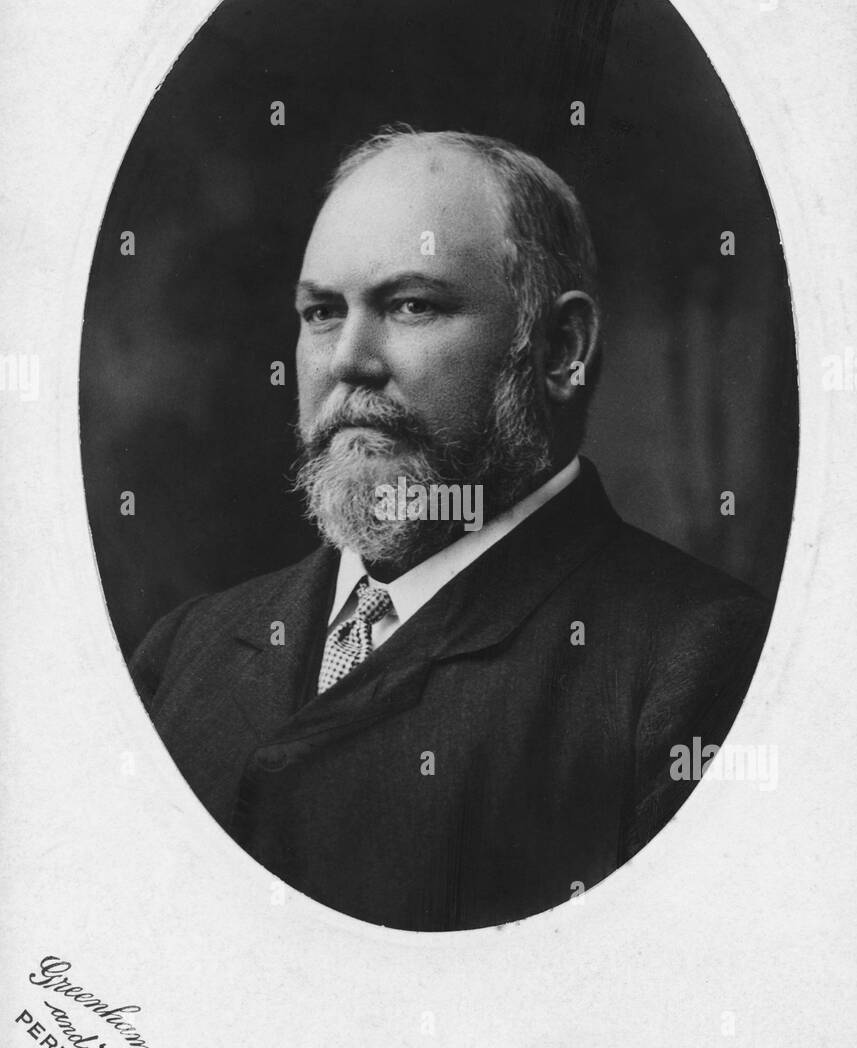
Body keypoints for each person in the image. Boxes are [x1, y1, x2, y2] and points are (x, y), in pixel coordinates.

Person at [131, 126, 769, 931]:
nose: (348, 361)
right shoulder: (182, 650)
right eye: (321, 312)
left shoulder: (696, 666)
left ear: (559, 349)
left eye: (411, 306)